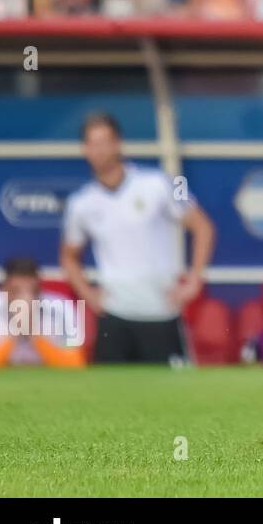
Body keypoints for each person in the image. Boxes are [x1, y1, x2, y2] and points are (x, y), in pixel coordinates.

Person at [60, 113, 215, 364]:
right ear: (84, 150)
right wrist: (89, 294)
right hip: (115, 315)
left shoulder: (159, 183)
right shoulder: (81, 203)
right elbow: (68, 257)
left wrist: (195, 280)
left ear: (118, 143)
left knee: (173, 398)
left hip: (160, 312)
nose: (99, 150)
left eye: (104, 142)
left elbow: (203, 227)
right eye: (92, 144)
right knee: (109, 398)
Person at [0, 257, 86, 368]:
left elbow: (76, 363)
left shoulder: (61, 307)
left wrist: (33, 333)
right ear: (3, 288)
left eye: (31, 291)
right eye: (16, 291)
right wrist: (16, 331)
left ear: (40, 288)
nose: (24, 298)